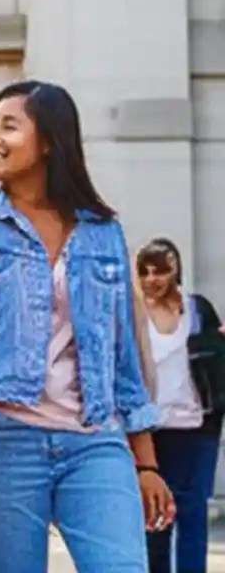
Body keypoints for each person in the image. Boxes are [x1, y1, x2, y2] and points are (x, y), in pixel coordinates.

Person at [0, 80, 176, 573]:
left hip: (95, 440)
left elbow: (125, 357)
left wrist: (145, 462)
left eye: (8, 125)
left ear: (48, 141)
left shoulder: (104, 233)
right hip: (1, 440)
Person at [134, 237, 225, 573]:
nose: (151, 279)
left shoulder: (198, 309)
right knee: (155, 515)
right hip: (151, 431)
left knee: (192, 511)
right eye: (144, 272)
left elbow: (217, 355)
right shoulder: (135, 315)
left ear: (175, 271)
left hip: (197, 427)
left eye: (159, 271)